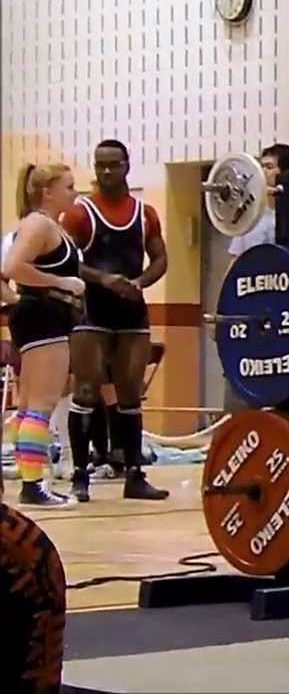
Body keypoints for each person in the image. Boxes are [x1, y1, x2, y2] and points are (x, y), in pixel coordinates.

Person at [59, 140, 170, 502]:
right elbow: (66, 261)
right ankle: (80, 475)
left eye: (113, 164)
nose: (106, 171)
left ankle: (134, 474)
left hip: (131, 311)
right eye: (100, 165)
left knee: (129, 393)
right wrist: (103, 279)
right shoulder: (80, 213)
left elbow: (159, 260)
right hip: (91, 311)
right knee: (86, 391)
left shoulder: (145, 213)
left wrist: (138, 283)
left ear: (127, 165)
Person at [1, 163, 84, 506]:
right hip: (42, 319)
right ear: (47, 192)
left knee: (30, 406)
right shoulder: (38, 224)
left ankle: (31, 481)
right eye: (68, 186)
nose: (74, 192)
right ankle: (34, 487)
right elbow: (11, 268)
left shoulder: (49, 226)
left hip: (41, 317)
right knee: (42, 405)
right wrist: (60, 283)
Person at [224, 143, 289, 412]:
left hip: (286, 321)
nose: (261, 173)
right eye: (260, 166)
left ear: (287, 174)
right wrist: (222, 314)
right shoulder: (247, 218)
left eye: (268, 167)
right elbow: (234, 265)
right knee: (239, 388)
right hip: (249, 316)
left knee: (283, 392)